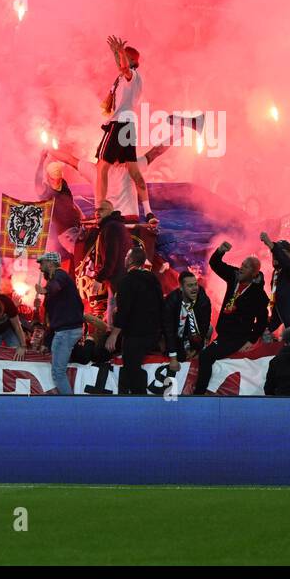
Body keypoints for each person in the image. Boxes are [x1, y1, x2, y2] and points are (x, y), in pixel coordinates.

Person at [192, 240, 269, 395]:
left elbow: (262, 319)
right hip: (224, 333)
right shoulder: (234, 276)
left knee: (206, 356)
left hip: (237, 337)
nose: (241, 268)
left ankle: (199, 394)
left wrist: (252, 340)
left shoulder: (258, 294)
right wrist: (220, 250)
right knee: (205, 352)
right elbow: (215, 264)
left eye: (246, 267)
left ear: (254, 274)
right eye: (242, 264)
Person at [94, 35, 150, 220]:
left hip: (120, 125)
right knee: (133, 170)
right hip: (128, 125)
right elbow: (121, 66)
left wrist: (119, 52)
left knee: (102, 167)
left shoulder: (131, 76)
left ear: (132, 61)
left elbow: (124, 66)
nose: (119, 60)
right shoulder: (122, 79)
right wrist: (116, 53)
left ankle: (99, 209)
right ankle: (148, 212)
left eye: (123, 56)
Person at [106, 246, 164, 394]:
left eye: (126, 256)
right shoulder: (153, 279)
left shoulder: (127, 281)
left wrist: (114, 335)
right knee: (132, 368)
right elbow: (160, 304)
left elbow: (125, 311)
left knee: (132, 368)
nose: (124, 258)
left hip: (135, 334)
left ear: (131, 260)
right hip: (153, 333)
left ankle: (139, 401)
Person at [36, 250, 83, 394]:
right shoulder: (56, 281)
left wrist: (44, 290)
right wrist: (46, 342)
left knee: (58, 373)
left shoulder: (59, 275)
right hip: (65, 331)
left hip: (66, 331)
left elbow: (55, 286)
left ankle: (70, 406)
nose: (39, 266)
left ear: (50, 263)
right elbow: (53, 319)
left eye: (42, 262)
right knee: (59, 372)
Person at [162, 269, 211, 369]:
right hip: (176, 335)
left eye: (195, 284)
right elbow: (169, 330)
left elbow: (203, 327)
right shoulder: (171, 301)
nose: (194, 289)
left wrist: (196, 349)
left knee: (210, 329)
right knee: (179, 357)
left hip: (191, 335)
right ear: (181, 287)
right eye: (189, 286)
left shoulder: (203, 301)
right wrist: (173, 358)